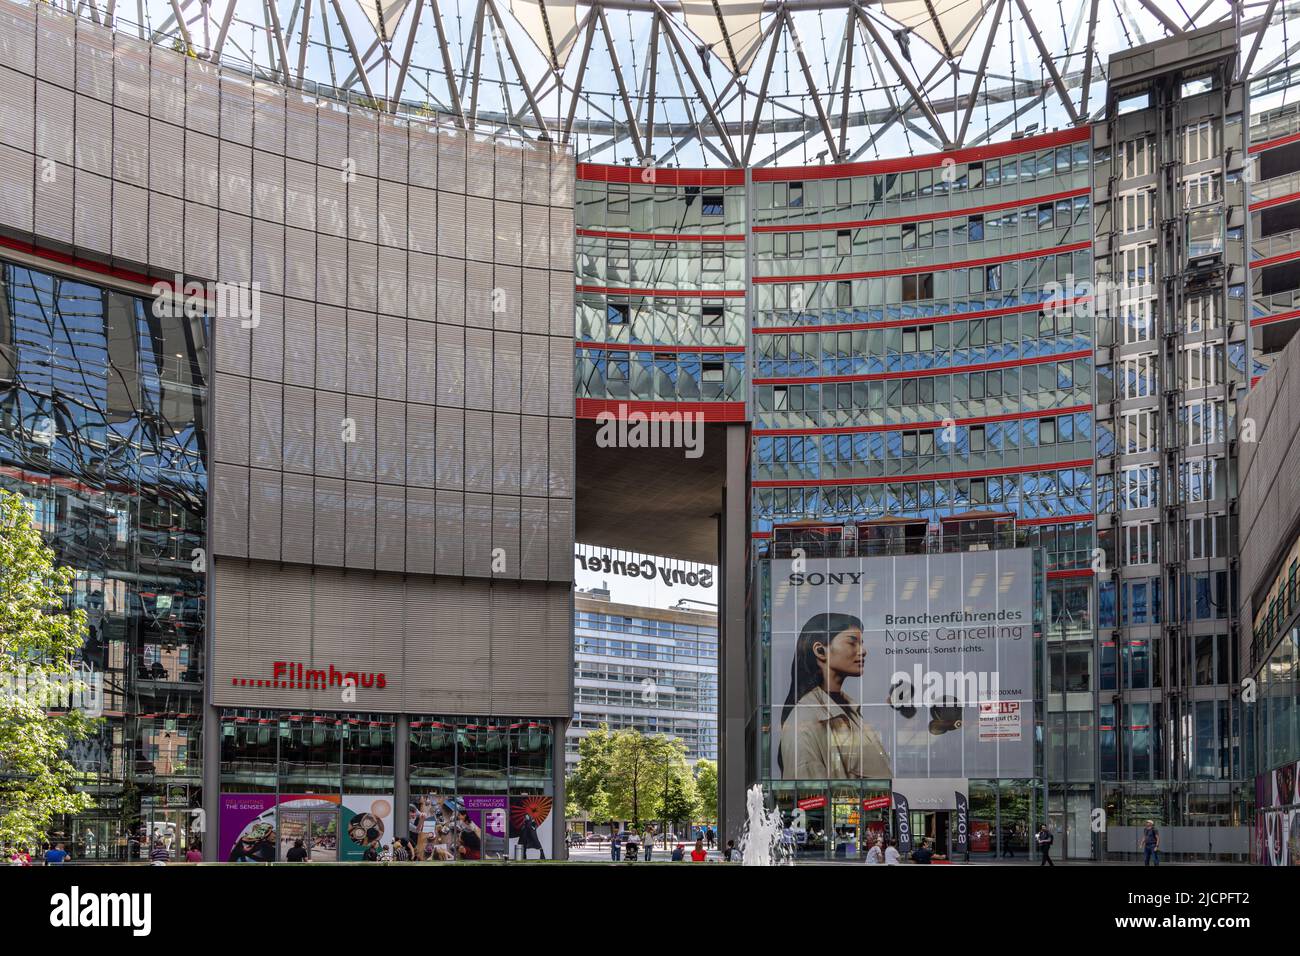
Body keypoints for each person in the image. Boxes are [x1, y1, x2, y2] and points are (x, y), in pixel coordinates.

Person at [778, 613, 892, 779]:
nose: (863, 651)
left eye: (861, 643)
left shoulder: (849, 710)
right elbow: (808, 793)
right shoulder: (805, 719)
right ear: (820, 650)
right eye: (852, 642)